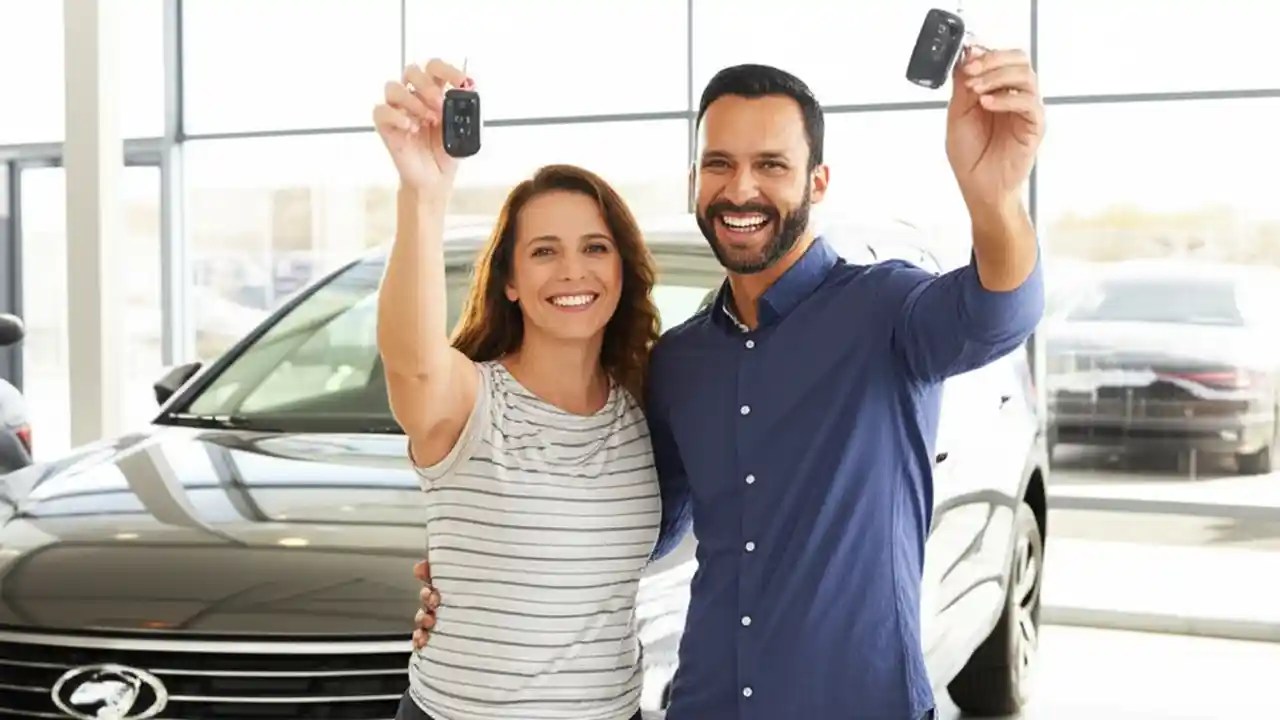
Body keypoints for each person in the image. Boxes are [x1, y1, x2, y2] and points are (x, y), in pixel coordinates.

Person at [413, 46, 1046, 719]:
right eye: (720, 164)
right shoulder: (680, 362)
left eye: (771, 165)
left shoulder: (885, 312)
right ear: (695, 181)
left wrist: (996, 198)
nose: (741, 190)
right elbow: (635, 524)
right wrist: (477, 578)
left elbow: (999, 311)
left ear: (818, 182)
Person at [375, 57, 675, 720]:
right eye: (544, 251)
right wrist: (422, 193)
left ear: (622, 268)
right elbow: (412, 359)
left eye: (595, 247)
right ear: (509, 280)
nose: (573, 269)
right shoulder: (468, 400)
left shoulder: (646, 406)